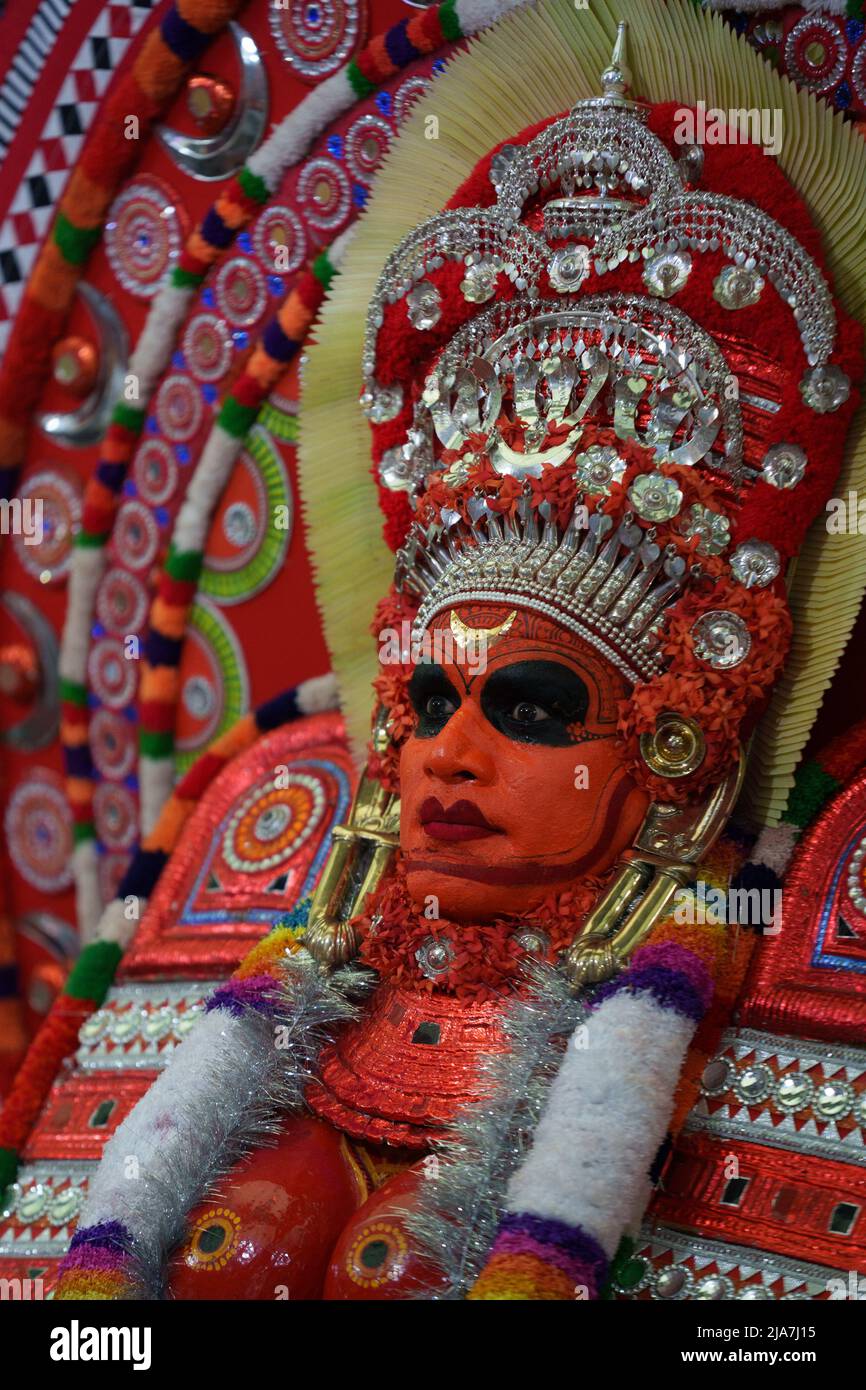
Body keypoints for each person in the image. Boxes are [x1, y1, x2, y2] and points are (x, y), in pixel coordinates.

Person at [55, 22, 862, 1301]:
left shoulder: (774, 914)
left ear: (663, 746)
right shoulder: (267, 824)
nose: (445, 752)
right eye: (427, 699)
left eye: (531, 708)